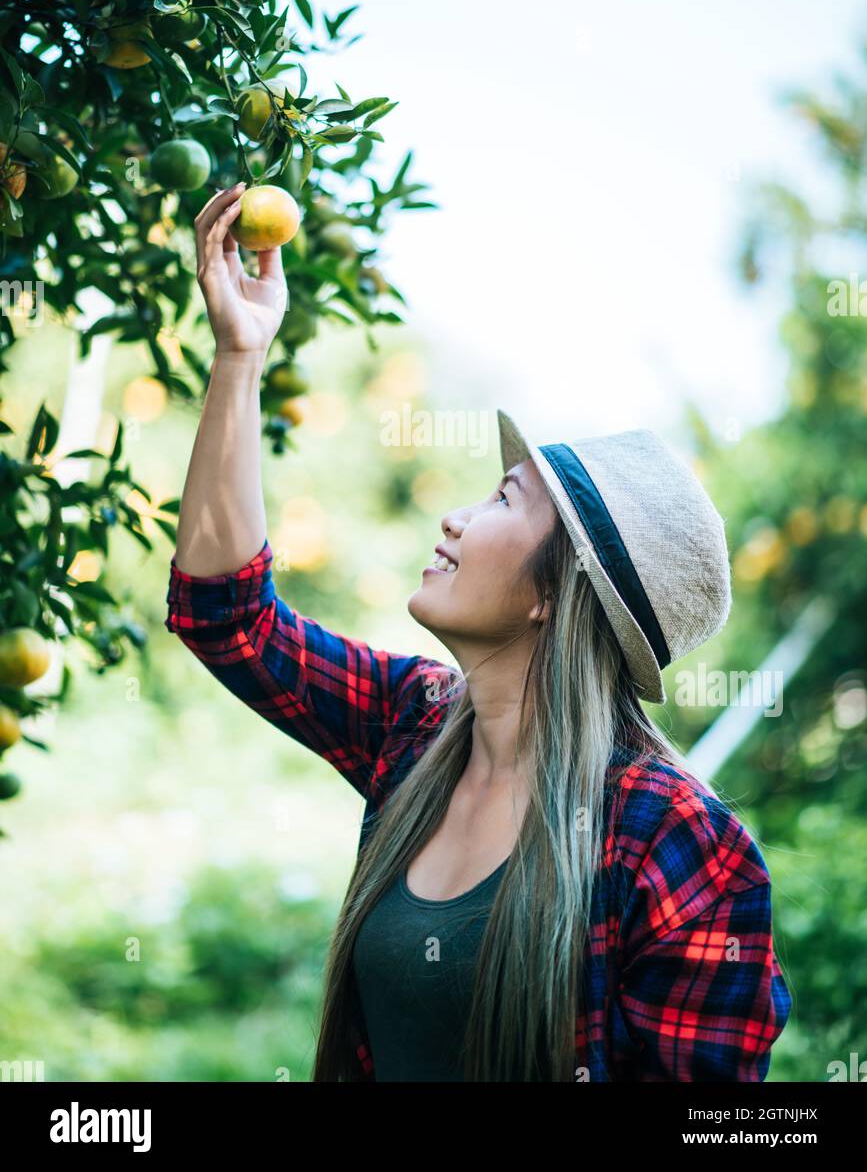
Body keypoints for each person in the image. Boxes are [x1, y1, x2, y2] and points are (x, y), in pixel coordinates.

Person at [165, 182, 793, 1082]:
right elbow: (227, 618)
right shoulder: (414, 727)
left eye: (504, 499)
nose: (457, 518)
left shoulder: (671, 835)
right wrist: (239, 355)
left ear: (555, 592)